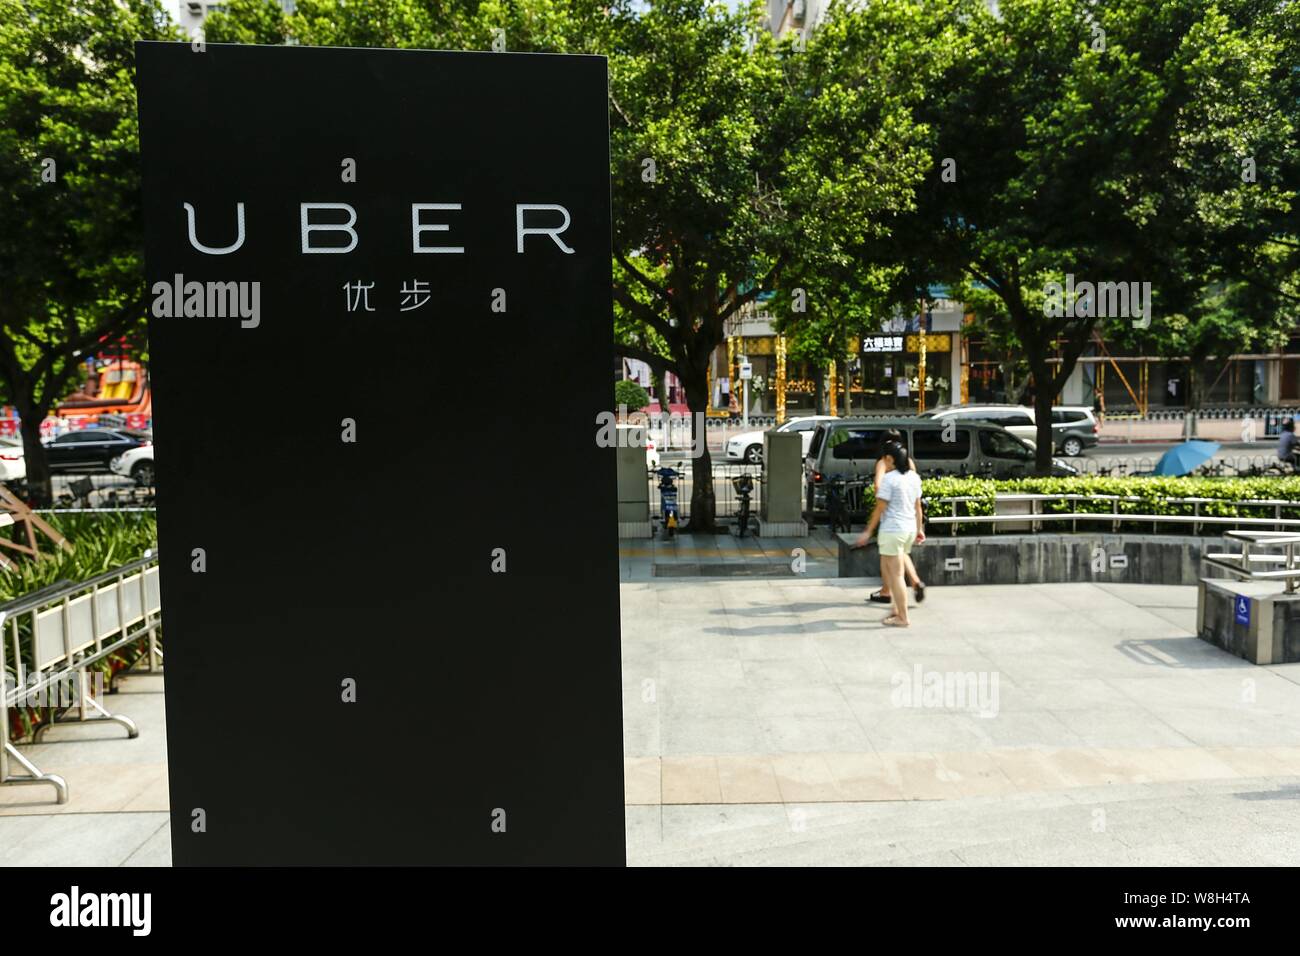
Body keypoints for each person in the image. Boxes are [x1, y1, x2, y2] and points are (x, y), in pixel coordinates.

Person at [855, 441, 925, 627]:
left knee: (896, 575)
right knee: (890, 569)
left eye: (886, 459)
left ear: (890, 459)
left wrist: (868, 532)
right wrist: (919, 529)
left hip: (892, 530)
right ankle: (896, 610)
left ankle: (903, 617)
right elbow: (918, 508)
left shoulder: (890, 479)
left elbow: (880, 508)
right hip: (908, 528)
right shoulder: (913, 478)